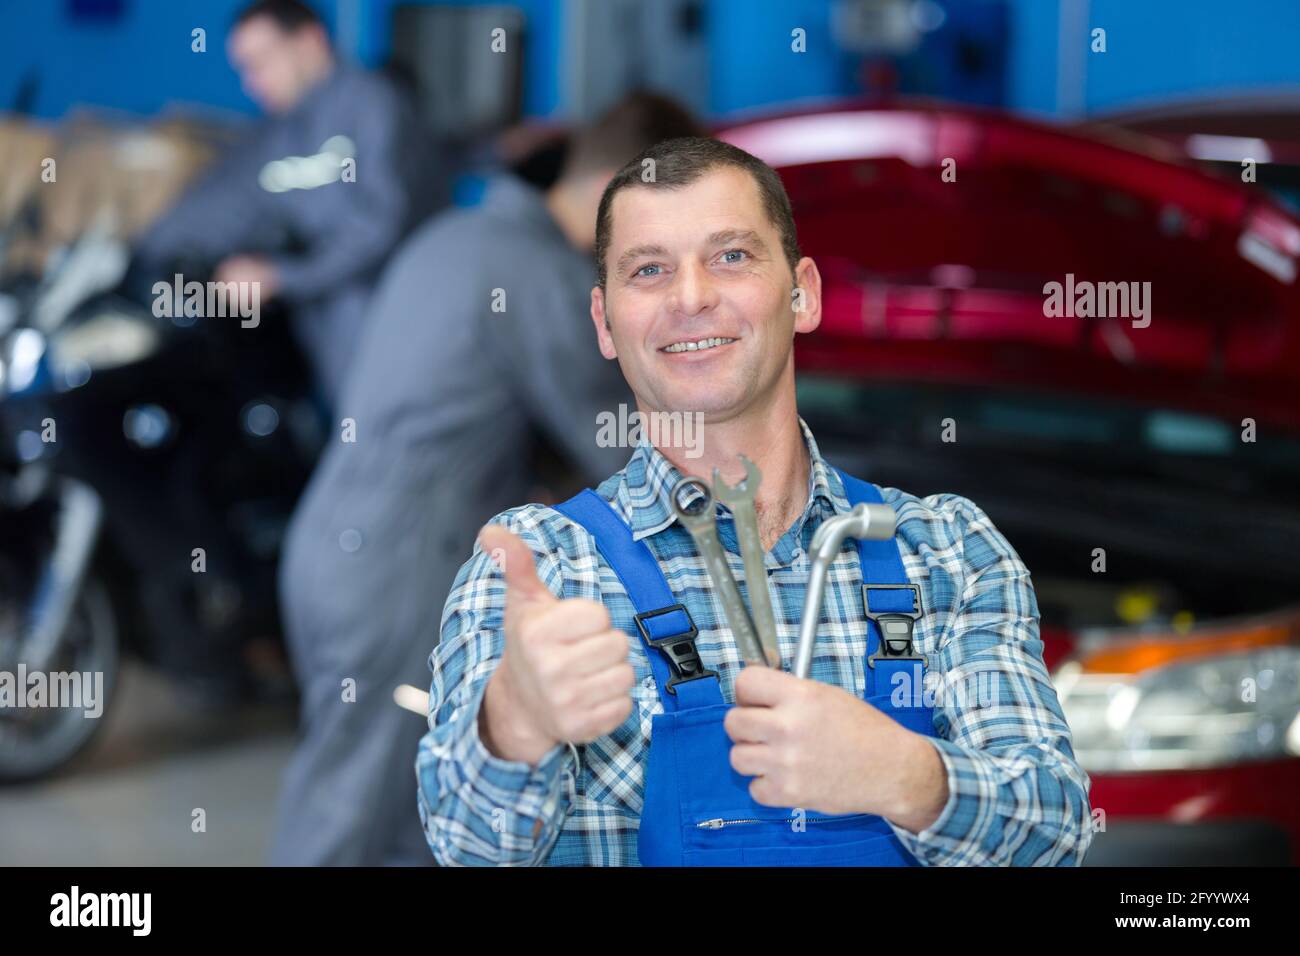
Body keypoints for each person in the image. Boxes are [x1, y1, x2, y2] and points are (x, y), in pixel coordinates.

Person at [418, 137, 1095, 866]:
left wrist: (905, 776)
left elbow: (1055, 830)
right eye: (648, 270)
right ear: (604, 323)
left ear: (803, 293)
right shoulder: (541, 569)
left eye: (730, 256)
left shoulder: (948, 550)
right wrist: (517, 718)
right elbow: (466, 846)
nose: (690, 297)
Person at [271, 93, 705, 866]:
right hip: (397, 570)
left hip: (333, 543)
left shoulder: (455, 235)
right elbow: (620, 443)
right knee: (347, 825)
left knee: (405, 813)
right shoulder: (534, 271)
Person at [134, 0, 433, 406]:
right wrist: (145, 248)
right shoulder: (278, 133)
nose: (252, 82)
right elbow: (227, 203)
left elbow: (380, 225)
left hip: (398, 329)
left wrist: (280, 276)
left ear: (310, 42)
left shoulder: (374, 104)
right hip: (327, 348)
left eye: (262, 61)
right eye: (244, 68)